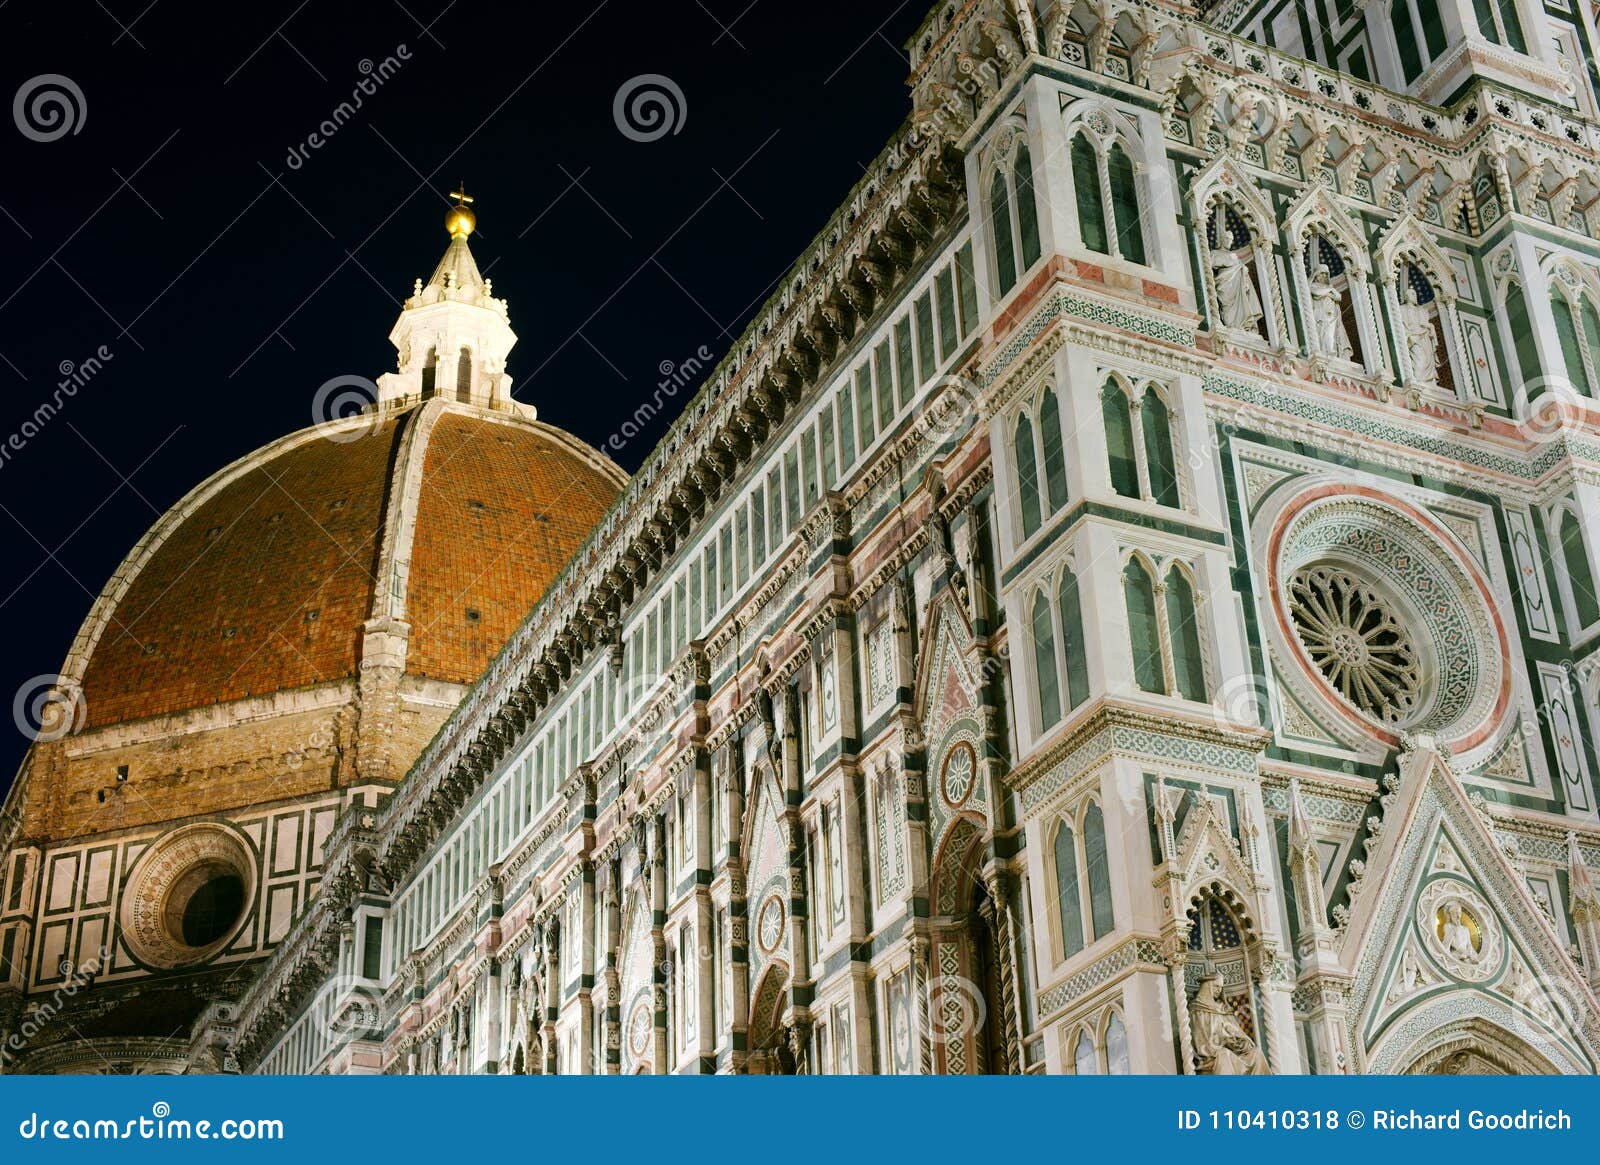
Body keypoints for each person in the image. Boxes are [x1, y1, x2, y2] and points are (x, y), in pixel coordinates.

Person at [1190, 974, 1269, 1074]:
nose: (1219, 990)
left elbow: (1237, 1032)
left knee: (1256, 1053)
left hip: (1233, 1050)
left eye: (1221, 987)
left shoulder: (1223, 1008)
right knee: (1224, 1055)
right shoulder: (1197, 1009)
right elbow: (1201, 1040)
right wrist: (1223, 1040)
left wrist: (1242, 1042)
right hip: (1213, 1054)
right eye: (1216, 986)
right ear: (1207, 986)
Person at [1211, 241, 1264, 333]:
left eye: (1231, 239)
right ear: (1221, 240)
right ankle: (1230, 325)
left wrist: (1242, 268)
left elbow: (1238, 264)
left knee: (1242, 302)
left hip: (1236, 284)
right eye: (1227, 238)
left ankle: (1242, 325)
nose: (1229, 241)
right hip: (1224, 283)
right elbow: (1212, 263)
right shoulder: (1215, 253)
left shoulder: (1234, 257)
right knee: (1226, 306)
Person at [1310, 264, 1354, 360]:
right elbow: (1317, 293)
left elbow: (1338, 296)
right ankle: (1325, 350)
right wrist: (1330, 291)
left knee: (1333, 332)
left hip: (1331, 314)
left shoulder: (1329, 288)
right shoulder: (1313, 286)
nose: (1325, 276)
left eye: (1326, 274)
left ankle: (1331, 350)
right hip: (1320, 314)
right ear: (1316, 275)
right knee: (1323, 332)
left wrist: (1330, 291)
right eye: (1322, 273)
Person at [1401, 284, 1439, 383]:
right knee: (1419, 363)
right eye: (1412, 294)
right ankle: (1419, 381)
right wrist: (1408, 335)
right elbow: (1401, 326)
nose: (1415, 296)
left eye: (1415, 294)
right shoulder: (1402, 309)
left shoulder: (1422, 310)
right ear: (1406, 297)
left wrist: (1430, 328)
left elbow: (1425, 323)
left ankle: (1429, 381)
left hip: (1424, 337)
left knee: (1427, 359)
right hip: (1413, 338)